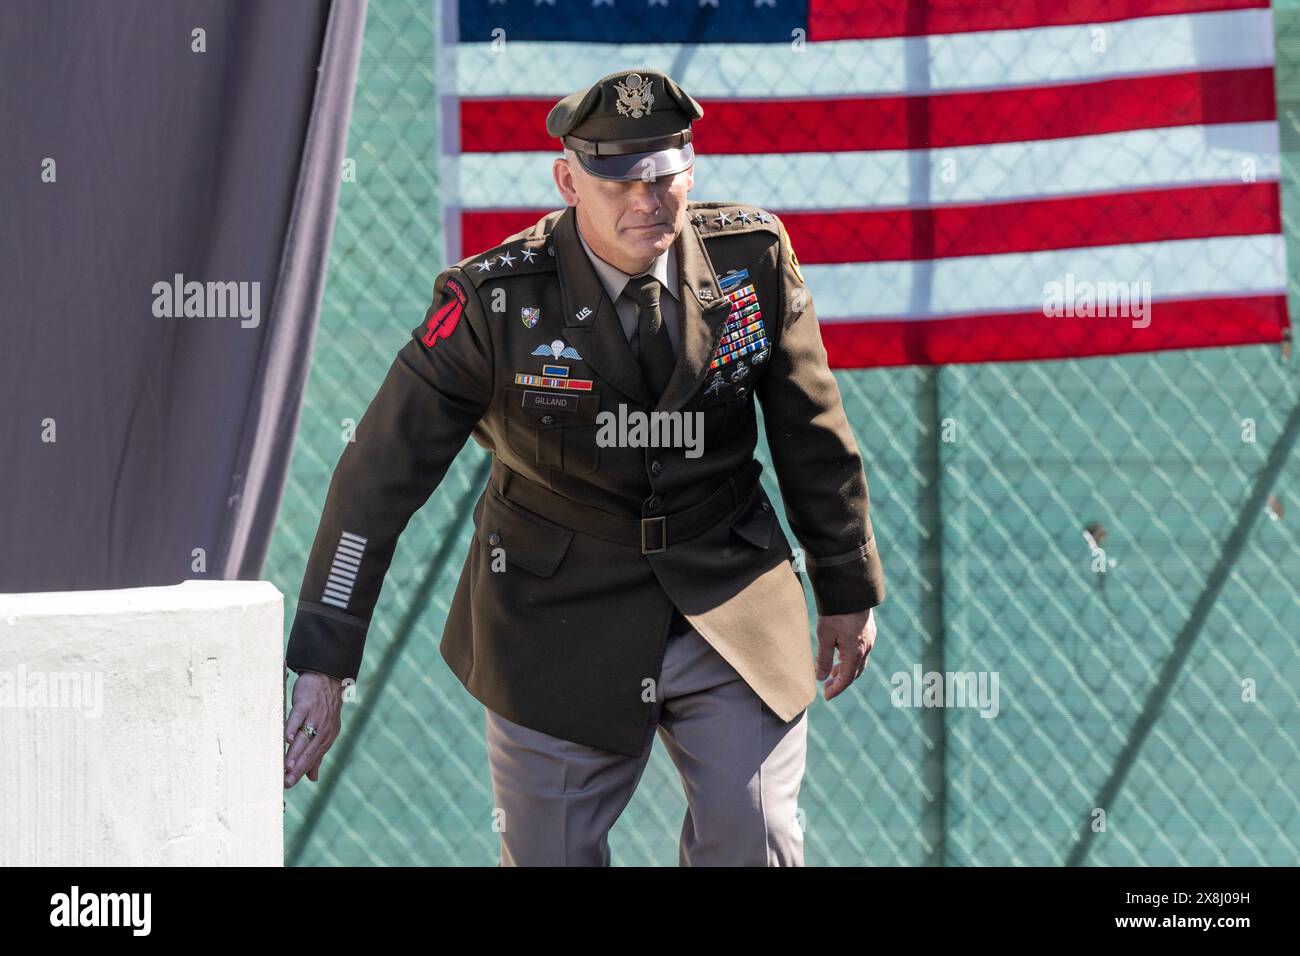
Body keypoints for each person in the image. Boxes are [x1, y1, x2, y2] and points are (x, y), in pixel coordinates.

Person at [282, 68, 886, 866]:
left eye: (666, 174)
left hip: (726, 590)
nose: (648, 197)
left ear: (691, 172)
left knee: (758, 839)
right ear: (569, 180)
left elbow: (812, 431)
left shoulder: (752, 261)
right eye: (619, 177)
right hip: (554, 614)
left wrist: (847, 585)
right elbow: (377, 478)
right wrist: (326, 659)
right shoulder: (495, 304)